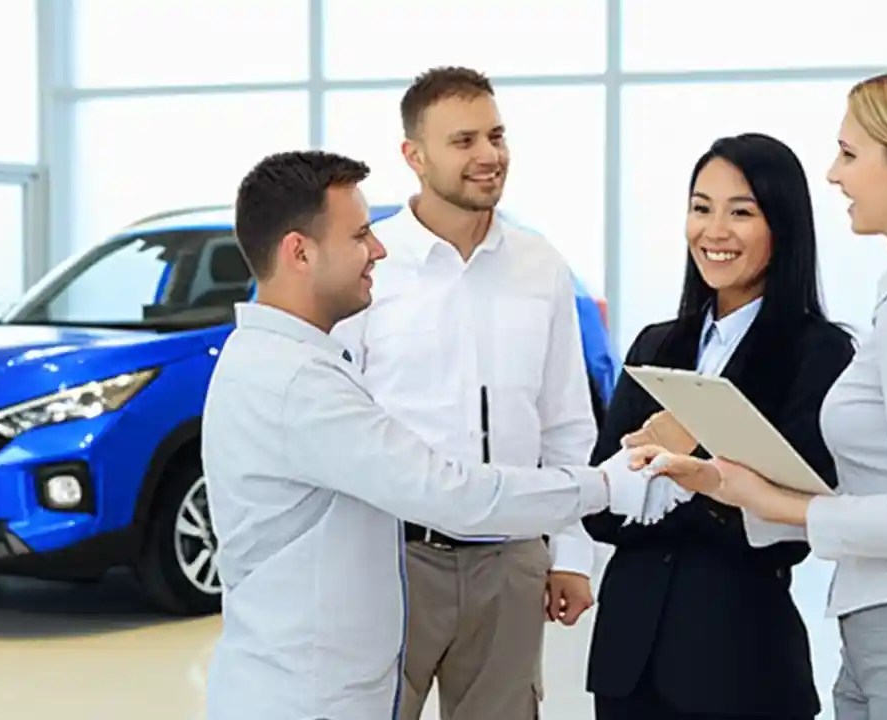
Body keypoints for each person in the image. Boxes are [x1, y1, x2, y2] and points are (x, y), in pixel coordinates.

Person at [201, 149, 655, 720]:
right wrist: (607, 486)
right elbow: (452, 494)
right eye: (360, 235)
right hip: (309, 695)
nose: (379, 250)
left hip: (324, 678)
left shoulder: (286, 358)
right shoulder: (297, 385)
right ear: (300, 252)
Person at [633, 67, 887, 719]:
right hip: (880, 631)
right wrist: (727, 484)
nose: (833, 175)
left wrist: (773, 501)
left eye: (849, 154)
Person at [330, 65, 602, 720]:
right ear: (413, 156)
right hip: (391, 559)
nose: (489, 156)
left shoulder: (541, 265)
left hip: (511, 560)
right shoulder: (372, 264)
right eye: (464, 141)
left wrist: (571, 554)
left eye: (496, 135)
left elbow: (566, 423)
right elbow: (339, 425)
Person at [581, 133, 855, 719]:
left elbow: (791, 523)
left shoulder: (820, 354)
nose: (715, 231)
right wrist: (700, 480)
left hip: (741, 668)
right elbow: (600, 509)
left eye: (741, 212)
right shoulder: (657, 344)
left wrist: (677, 464)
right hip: (630, 669)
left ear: (782, 226)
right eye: (701, 208)